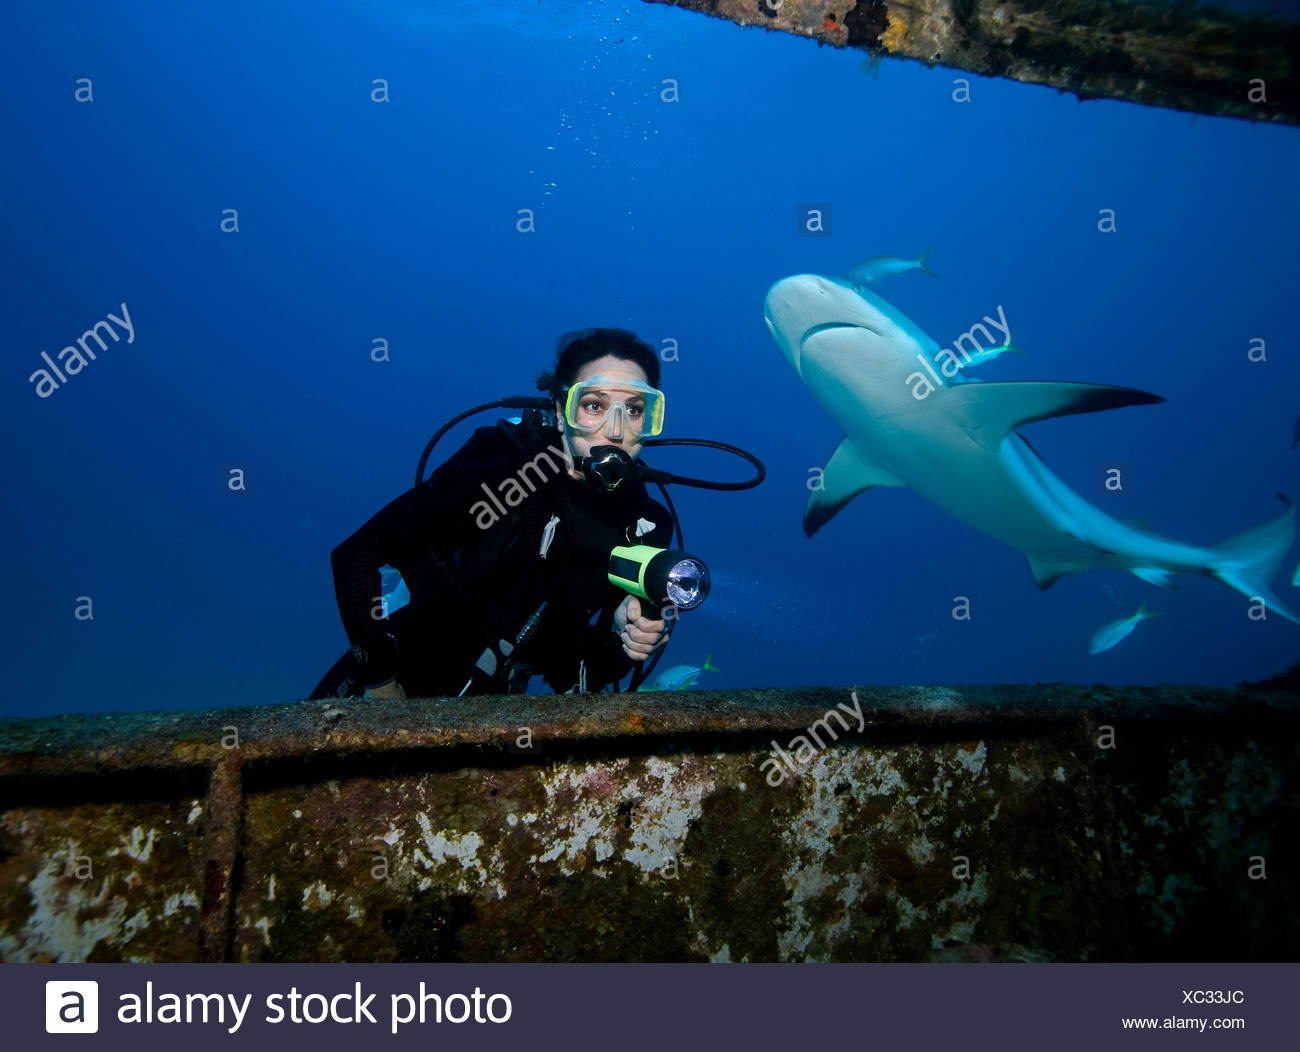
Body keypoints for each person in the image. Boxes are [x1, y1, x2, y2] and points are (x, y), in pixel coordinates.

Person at [309, 328, 675, 700]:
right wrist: (381, 681)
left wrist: (626, 642)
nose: (615, 430)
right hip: (395, 677)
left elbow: (576, 675)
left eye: (634, 410)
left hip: (496, 708)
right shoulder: (499, 469)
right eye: (594, 405)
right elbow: (357, 556)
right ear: (561, 412)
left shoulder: (643, 525)